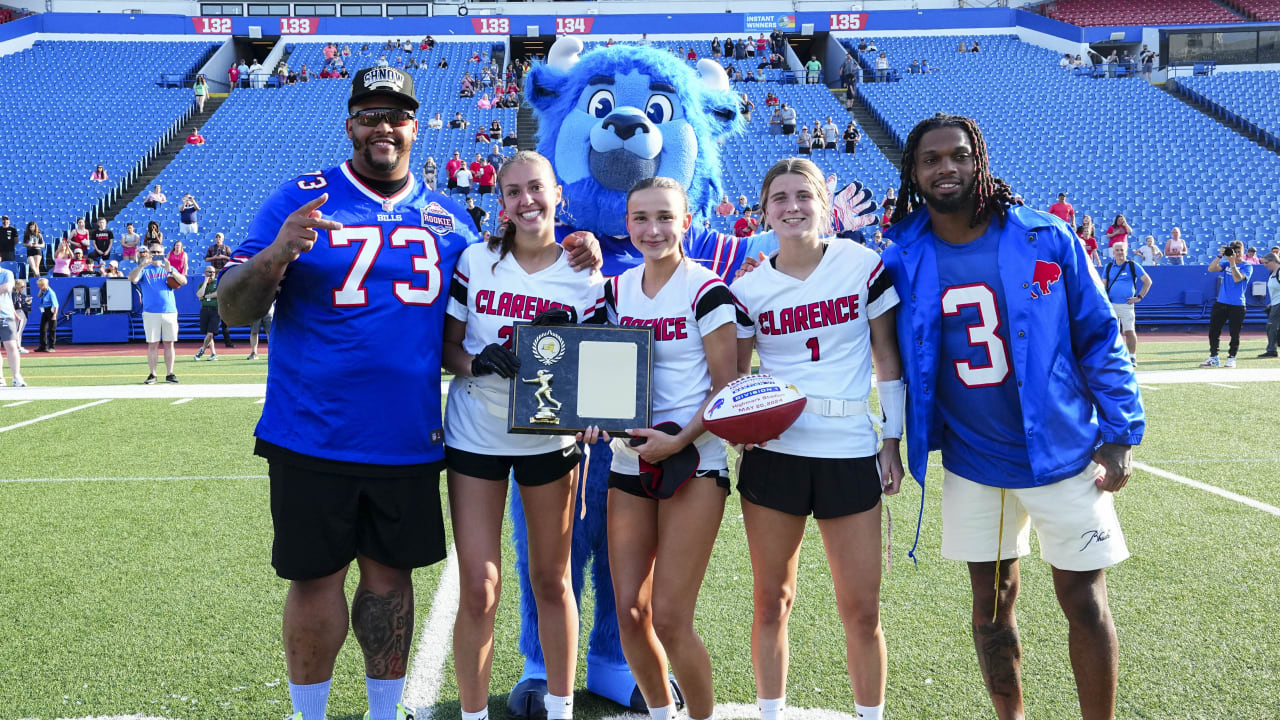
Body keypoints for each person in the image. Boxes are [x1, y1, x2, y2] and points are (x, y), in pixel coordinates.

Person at [216, 66, 601, 720]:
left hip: (407, 434)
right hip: (312, 428)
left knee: (391, 583)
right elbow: (234, 309)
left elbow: (506, 278)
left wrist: (575, 245)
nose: (382, 127)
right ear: (349, 125)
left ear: (415, 126)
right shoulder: (300, 197)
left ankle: (383, 711)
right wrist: (276, 254)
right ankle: (309, 714)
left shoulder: (450, 216)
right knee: (314, 580)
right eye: (368, 114)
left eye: (394, 116)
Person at [881, 113, 1143, 720]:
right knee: (991, 607)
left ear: (980, 162)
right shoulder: (901, 255)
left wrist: (1121, 432)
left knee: (1085, 600)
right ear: (913, 174)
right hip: (975, 462)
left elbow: (1100, 337)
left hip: (1063, 451)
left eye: (957, 155)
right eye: (930, 159)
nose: (945, 167)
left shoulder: (1044, 237)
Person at [732, 158, 903, 720]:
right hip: (776, 454)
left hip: (848, 447)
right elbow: (734, 378)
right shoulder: (749, 287)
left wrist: (891, 440)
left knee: (861, 608)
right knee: (771, 601)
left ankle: (870, 714)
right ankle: (770, 712)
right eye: (778, 197)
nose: (792, 206)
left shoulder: (861, 264)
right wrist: (741, 429)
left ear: (824, 206)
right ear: (764, 212)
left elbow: (886, 357)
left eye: (803, 195)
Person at [442, 151, 599, 720]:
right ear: (500, 201)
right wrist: (478, 362)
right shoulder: (475, 261)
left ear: (557, 193)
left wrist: (589, 410)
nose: (526, 200)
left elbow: (599, 369)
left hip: (549, 440)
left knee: (551, 581)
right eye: (512, 192)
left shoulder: (587, 272)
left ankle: (560, 707)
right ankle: (473, 713)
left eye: (536, 188)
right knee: (480, 588)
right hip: (476, 433)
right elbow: (448, 348)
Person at [576, 176, 739, 720]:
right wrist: (594, 420)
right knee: (629, 611)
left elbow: (727, 388)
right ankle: (661, 712)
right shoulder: (615, 292)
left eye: (665, 217)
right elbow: (599, 374)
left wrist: (679, 441)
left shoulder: (706, 289)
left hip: (695, 465)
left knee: (670, 615)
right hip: (629, 464)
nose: (652, 228)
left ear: (686, 222)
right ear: (626, 225)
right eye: (641, 218)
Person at [130, 245, 185, 384]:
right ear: (149, 253)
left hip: (169, 311)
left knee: (169, 343)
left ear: (163, 253)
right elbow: (132, 279)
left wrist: (171, 269)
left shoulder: (167, 269)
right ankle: (153, 374)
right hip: (150, 312)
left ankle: (170, 373)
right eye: (153, 252)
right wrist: (142, 265)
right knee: (152, 344)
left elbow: (184, 281)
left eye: (158, 252)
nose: (156, 254)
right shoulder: (145, 270)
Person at [1201, 240, 1252, 368]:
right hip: (1221, 302)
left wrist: (1233, 262)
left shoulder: (1247, 266)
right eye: (1235, 252)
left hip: (1237, 304)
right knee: (1214, 331)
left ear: (1243, 252)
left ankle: (1232, 357)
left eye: (1239, 252)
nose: (1237, 255)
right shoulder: (1226, 263)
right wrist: (1220, 255)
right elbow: (1211, 268)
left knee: (1234, 333)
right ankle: (1213, 357)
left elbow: (1237, 278)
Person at [1102, 242, 1152, 366]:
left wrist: (1139, 297)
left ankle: (1132, 357)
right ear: (1113, 252)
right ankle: (1113, 357)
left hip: (1126, 304)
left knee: (1129, 331)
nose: (1120, 252)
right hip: (1111, 305)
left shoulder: (1132, 266)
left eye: (1122, 250)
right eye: (1117, 250)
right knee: (1111, 332)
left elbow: (1148, 281)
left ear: (1126, 251)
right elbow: (1102, 286)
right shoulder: (1108, 267)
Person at [0, 264, 26, 387]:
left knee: (11, 345)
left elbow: (6, 288)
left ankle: (16, 376)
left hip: (5, 314)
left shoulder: (6, 273)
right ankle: (0, 378)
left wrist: (14, 312)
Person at [195, 265, 221, 361]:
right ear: (205, 273)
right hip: (205, 310)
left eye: (213, 272)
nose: (211, 274)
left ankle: (202, 350)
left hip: (215, 310)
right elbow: (199, 295)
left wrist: (206, 296)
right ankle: (213, 353)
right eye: (209, 272)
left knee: (210, 334)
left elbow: (218, 293)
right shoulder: (202, 284)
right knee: (208, 334)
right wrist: (206, 282)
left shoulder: (217, 282)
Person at [1259, 251, 1280, 358]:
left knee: (1271, 326)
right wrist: (1272, 303)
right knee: (1274, 327)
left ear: (1274, 261)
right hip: (1275, 304)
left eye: (1266, 263)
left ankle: (1272, 350)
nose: (1265, 265)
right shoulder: (1271, 273)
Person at [33, 276, 57, 352]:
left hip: (51, 311)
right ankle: (43, 346)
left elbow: (56, 305)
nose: (38, 286)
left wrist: (54, 315)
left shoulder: (51, 293)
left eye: (39, 285)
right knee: (42, 329)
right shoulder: (43, 292)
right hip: (45, 311)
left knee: (52, 329)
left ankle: (52, 347)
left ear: (43, 285)